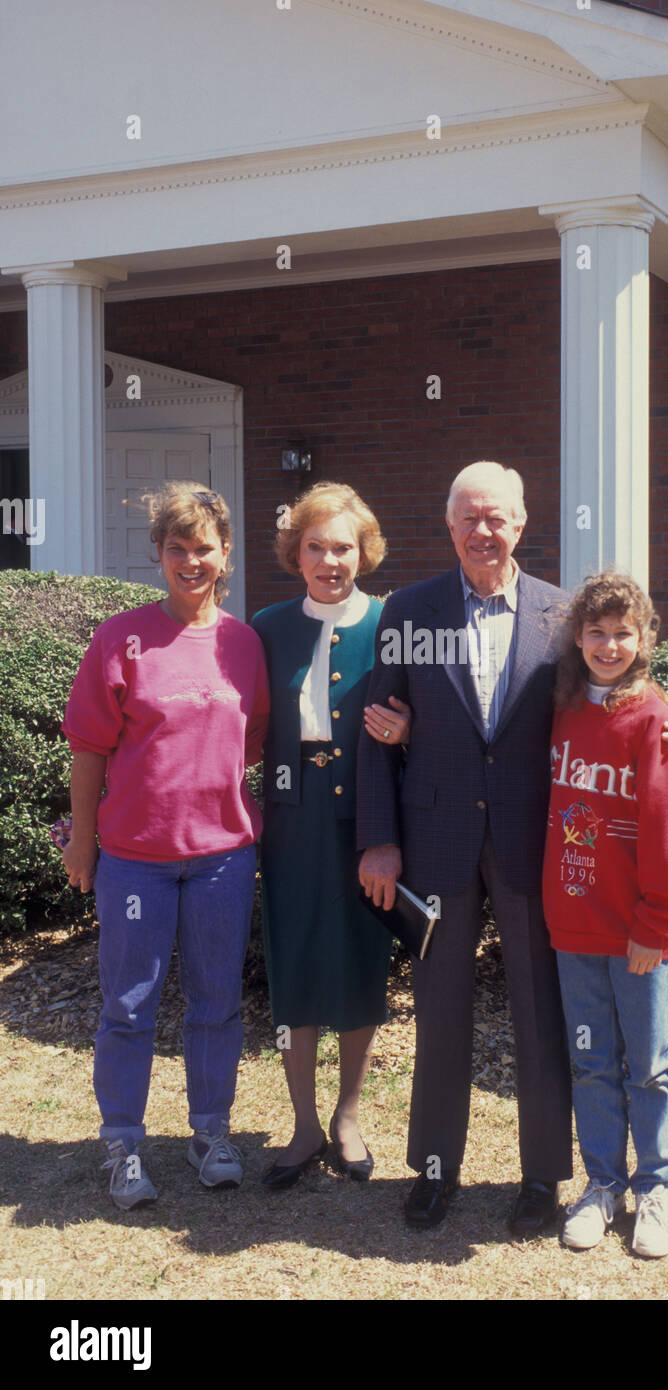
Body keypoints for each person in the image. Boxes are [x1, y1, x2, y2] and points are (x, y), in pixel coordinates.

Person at [357, 460, 668, 1235]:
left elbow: (616, 693)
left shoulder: (561, 615)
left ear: (521, 524)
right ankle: (435, 1170)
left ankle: (543, 1178)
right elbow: (377, 735)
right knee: (440, 1011)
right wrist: (378, 842)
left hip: (536, 848)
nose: (484, 530)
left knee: (545, 1013)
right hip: (435, 841)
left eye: (498, 516)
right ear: (449, 526)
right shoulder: (407, 610)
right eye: (469, 517)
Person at [62, 482, 270, 1210]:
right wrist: (83, 840)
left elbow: (254, 738)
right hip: (134, 859)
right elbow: (88, 749)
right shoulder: (121, 638)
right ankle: (122, 1140)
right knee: (129, 1004)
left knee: (216, 1001)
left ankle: (211, 1132)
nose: (191, 561)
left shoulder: (243, 644)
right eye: (176, 549)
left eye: (203, 549)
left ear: (225, 556)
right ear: (158, 554)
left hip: (221, 857)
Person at [251, 482, 409, 1188]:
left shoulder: (392, 621)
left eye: (342, 546)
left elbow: (431, 718)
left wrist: (409, 731)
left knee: (356, 963)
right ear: (297, 554)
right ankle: (303, 1123)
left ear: (363, 552)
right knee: (295, 966)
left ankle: (347, 1115)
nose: (329, 559)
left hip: (364, 822)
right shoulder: (267, 625)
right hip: (288, 821)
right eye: (315, 546)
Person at [542, 573, 668, 1258]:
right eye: (596, 632)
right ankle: (602, 1184)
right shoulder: (562, 707)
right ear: (578, 636)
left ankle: (655, 1187)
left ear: (645, 638)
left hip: (637, 933)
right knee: (591, 1061)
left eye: (622, 633)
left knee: (650, 1065)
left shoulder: (656, 717)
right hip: (573, 924)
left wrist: (657, 924)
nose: (609, 645)